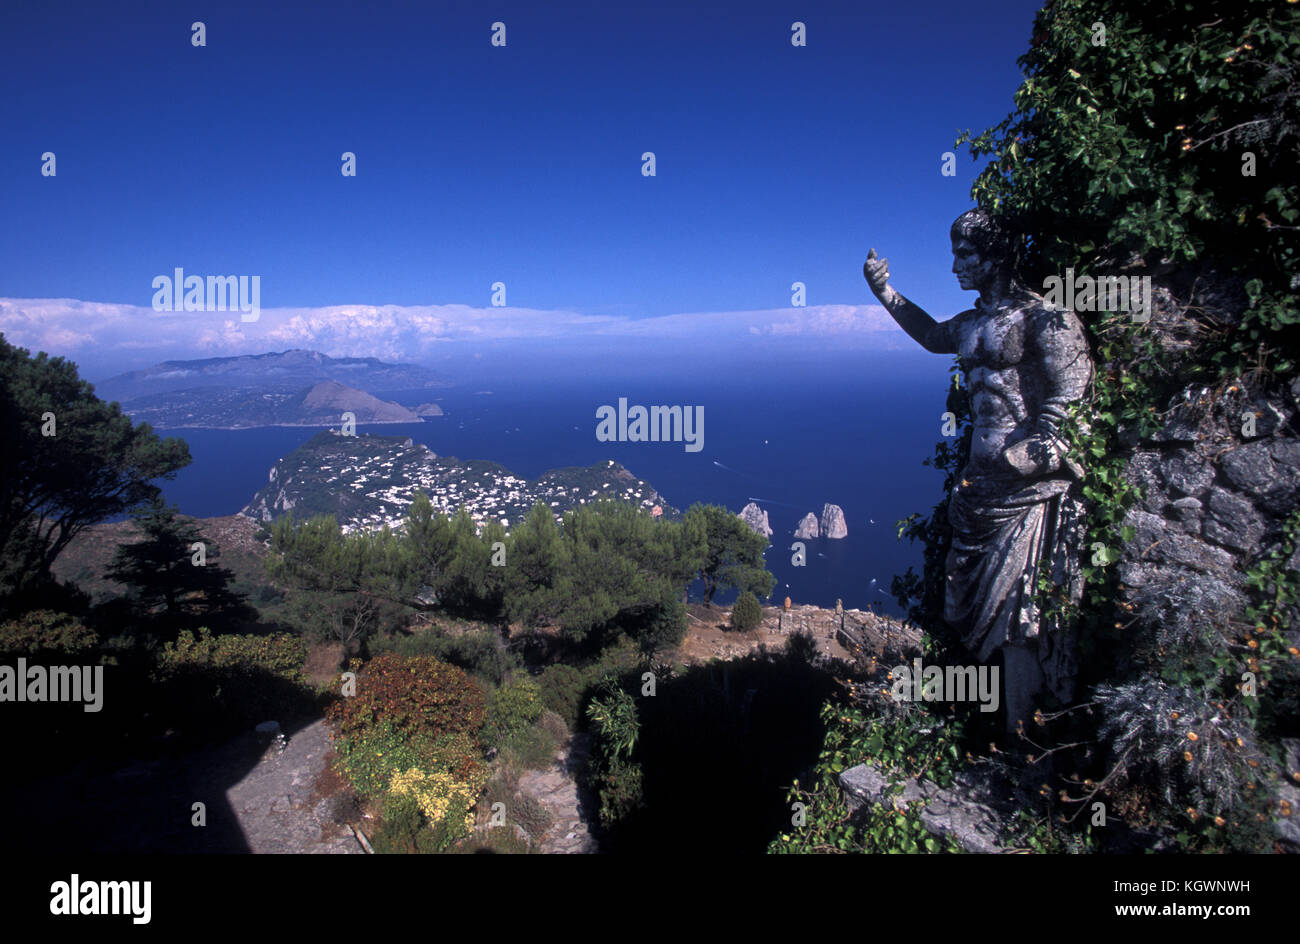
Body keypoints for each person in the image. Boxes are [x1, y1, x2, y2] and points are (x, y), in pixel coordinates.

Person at [863, 208, 1092, 731]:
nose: (954, 267)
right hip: (979, 491)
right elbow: (929, 334)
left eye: (965, 253)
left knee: (1020, 616)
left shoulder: (1047, 320)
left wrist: (1023, 459)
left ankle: (1026, 741)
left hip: (1027, 494)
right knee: (983, 614)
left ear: (1000, 253)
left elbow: (1071, 411)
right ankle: (991, 728)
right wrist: (885, 293)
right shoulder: (972, 325)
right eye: (954, 253)